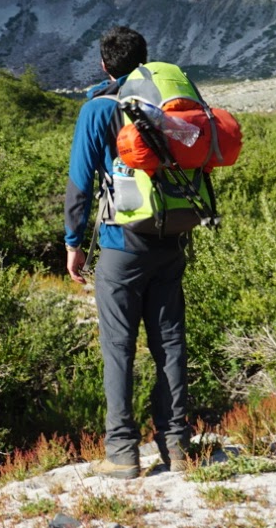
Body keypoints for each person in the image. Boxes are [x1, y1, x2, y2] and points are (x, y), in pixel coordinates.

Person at [64, 25, 191, 478]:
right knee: (169, 342)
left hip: (121, 244)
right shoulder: (165, 104)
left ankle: (121, 452)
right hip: (171, 239)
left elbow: (80, 184)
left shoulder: (98, 109)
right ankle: (177, 444)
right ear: (146, 59)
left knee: (119, 346)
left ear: (103, 65)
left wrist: (73, 243)